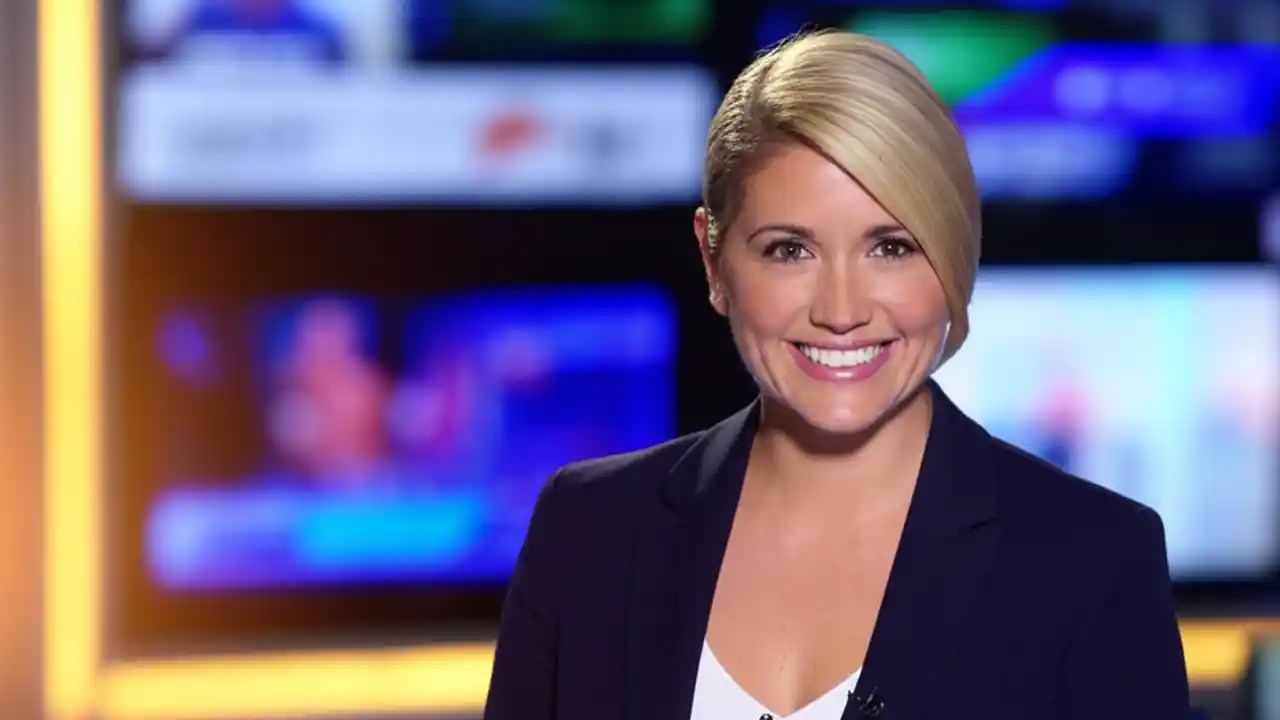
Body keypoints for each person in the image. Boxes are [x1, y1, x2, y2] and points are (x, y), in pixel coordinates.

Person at [484, 29, 1190, 719]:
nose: (842, 310)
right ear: (713, 262)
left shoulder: (1093, 563)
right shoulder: (590, 532)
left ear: (956, 256)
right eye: (790, 251)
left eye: (890, 247)